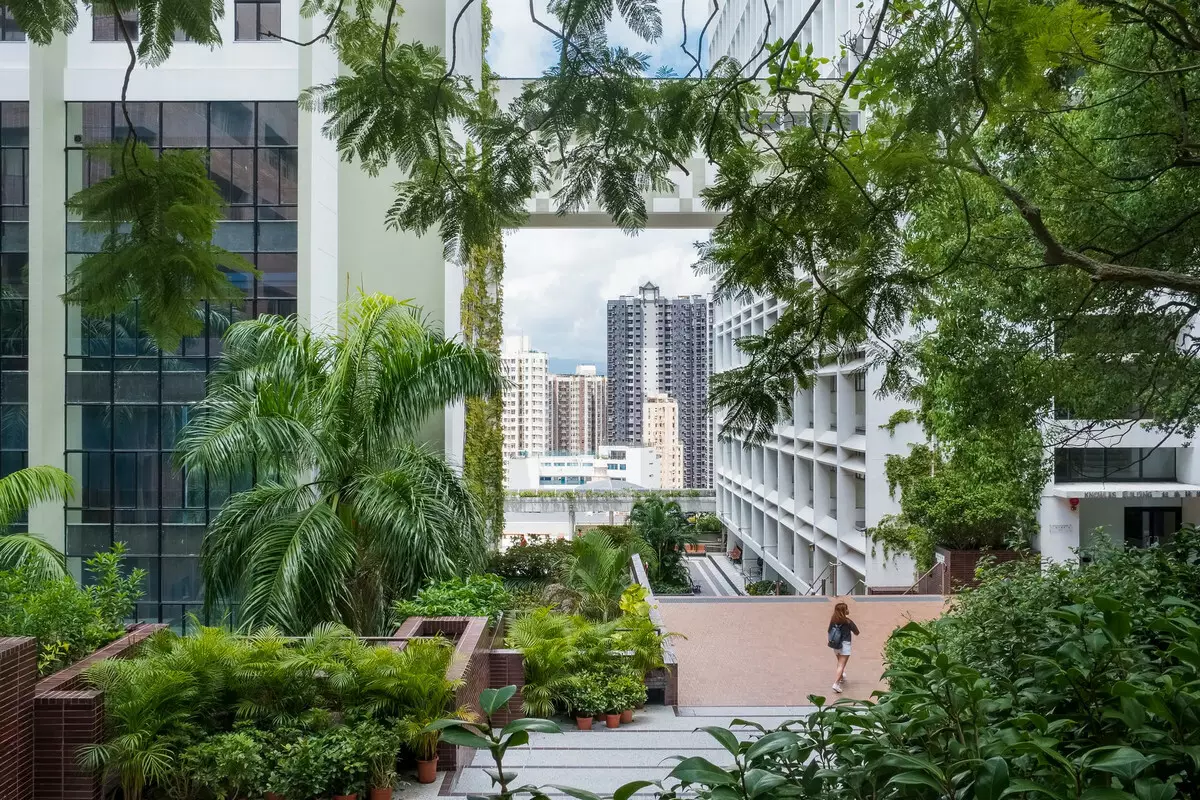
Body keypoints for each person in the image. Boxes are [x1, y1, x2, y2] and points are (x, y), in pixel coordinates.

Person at [827, 602, 859, 693]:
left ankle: (841, 677)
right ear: (844, 611)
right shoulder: (848, 621)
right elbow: (857, 632)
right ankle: (836, 684)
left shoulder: (833, 620)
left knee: (840, 662)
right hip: (845, 644)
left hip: (835, 644)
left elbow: (829, 631)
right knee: (841, 664)